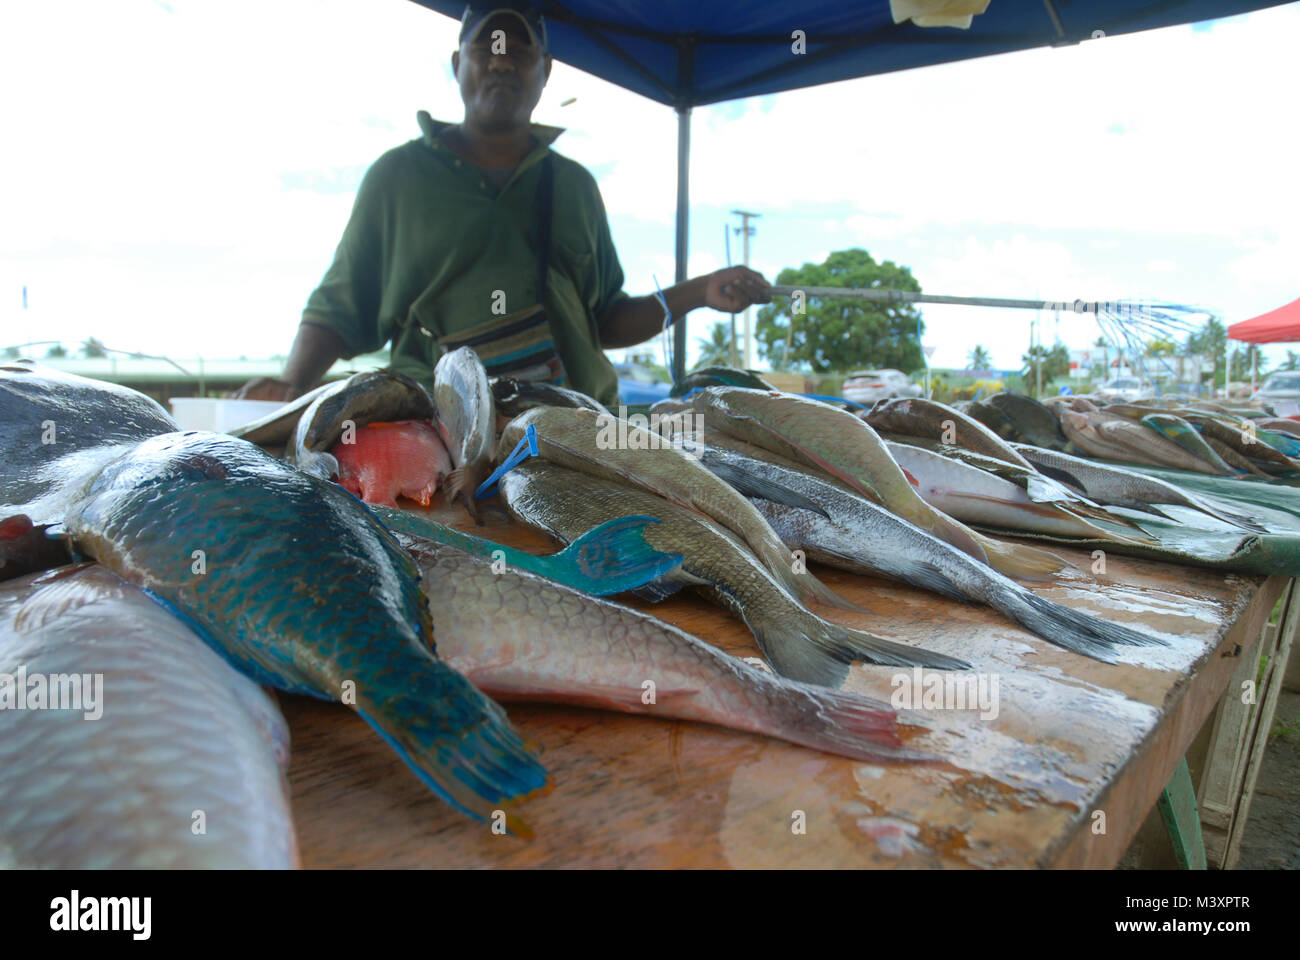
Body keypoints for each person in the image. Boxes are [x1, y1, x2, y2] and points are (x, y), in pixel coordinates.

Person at [235, 1, 770, 406]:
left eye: (519, 51)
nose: (502, 63)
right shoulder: (397, 177)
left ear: (547, 69)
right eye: (485, 48)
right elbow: (339, 308)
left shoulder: (576, 185)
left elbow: (607, 322)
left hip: (579, 432)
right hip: (442, 433)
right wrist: (290, 384)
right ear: (457, 63)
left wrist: (699, 291)